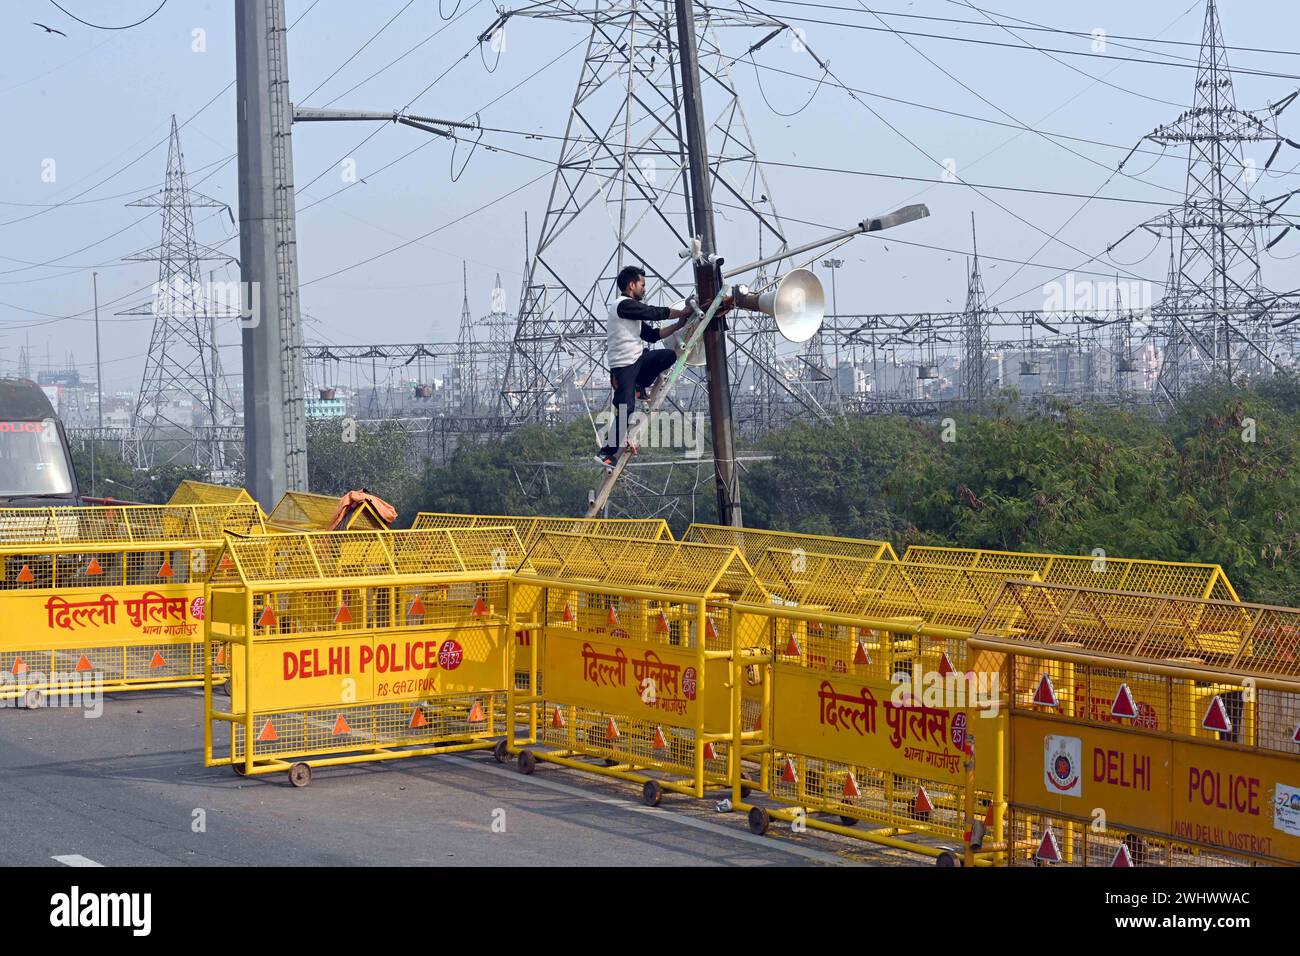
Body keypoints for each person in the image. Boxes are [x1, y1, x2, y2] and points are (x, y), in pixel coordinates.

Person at [596, 265, 696, 467]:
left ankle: (639, 386)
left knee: (667, 356)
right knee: (626, 408)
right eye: (642, 285)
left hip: (637, 361)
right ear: (632, 285)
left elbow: (652, 335)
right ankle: (605, 452)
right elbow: (652, 312)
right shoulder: (623, 305)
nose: (644, 289)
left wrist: (679, 324)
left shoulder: (632, 312)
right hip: (623, 368)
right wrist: (682, 312)